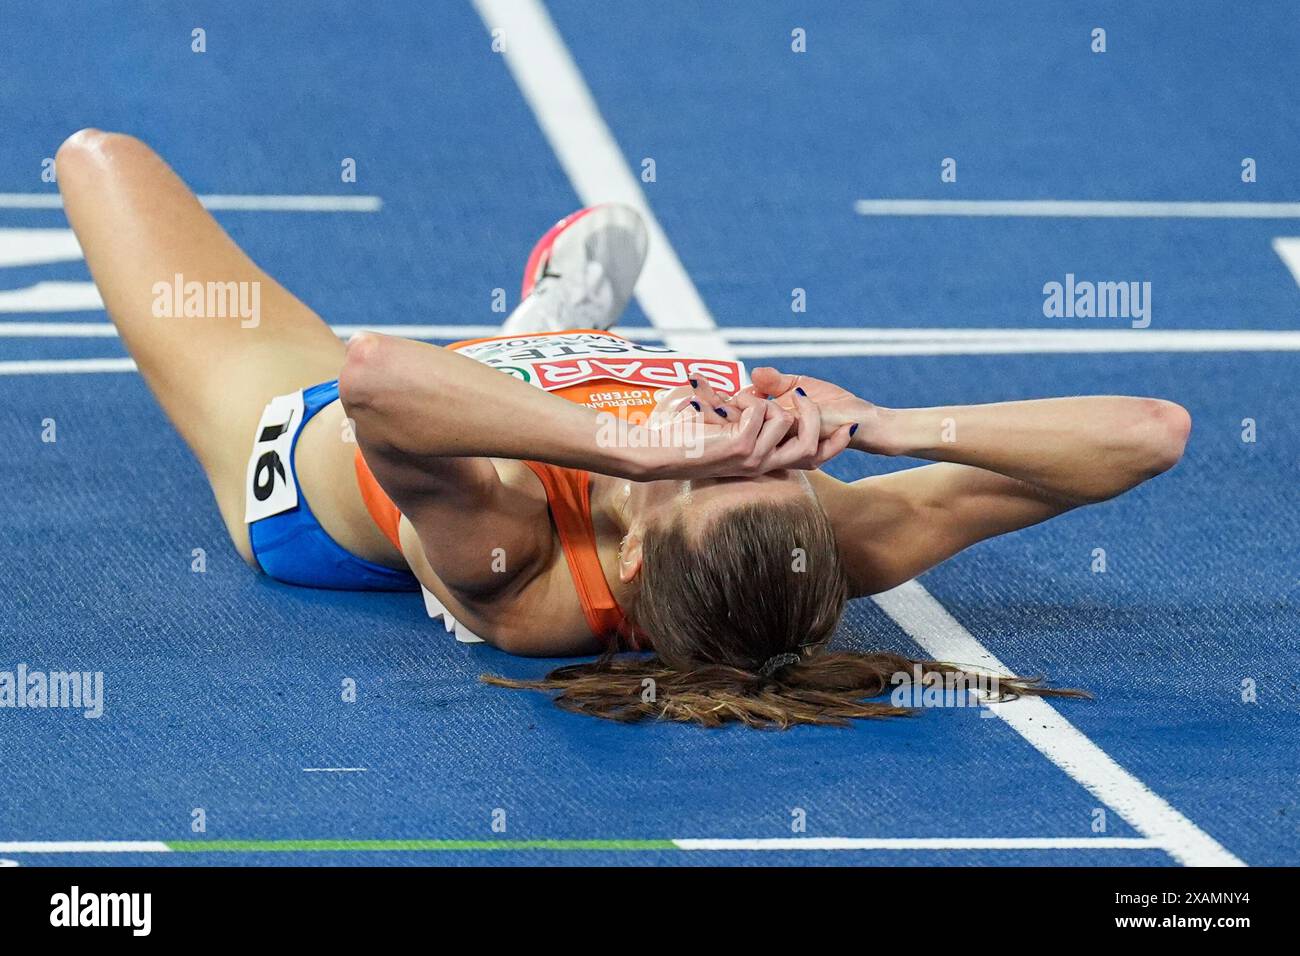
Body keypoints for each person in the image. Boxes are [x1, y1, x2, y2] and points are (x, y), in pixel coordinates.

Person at [55, 129, 1191, 727]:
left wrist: (642, 440)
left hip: (316, 474)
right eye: (766, 455)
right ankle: (548, 325)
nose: (733, 427)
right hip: (524, 396)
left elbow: (380, 379)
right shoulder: (835, 534)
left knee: (99, 161)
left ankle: (542, 326)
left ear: (635, 544)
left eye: (715, 465)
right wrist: (894, 424)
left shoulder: (519, 553)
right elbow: (1148, 432)